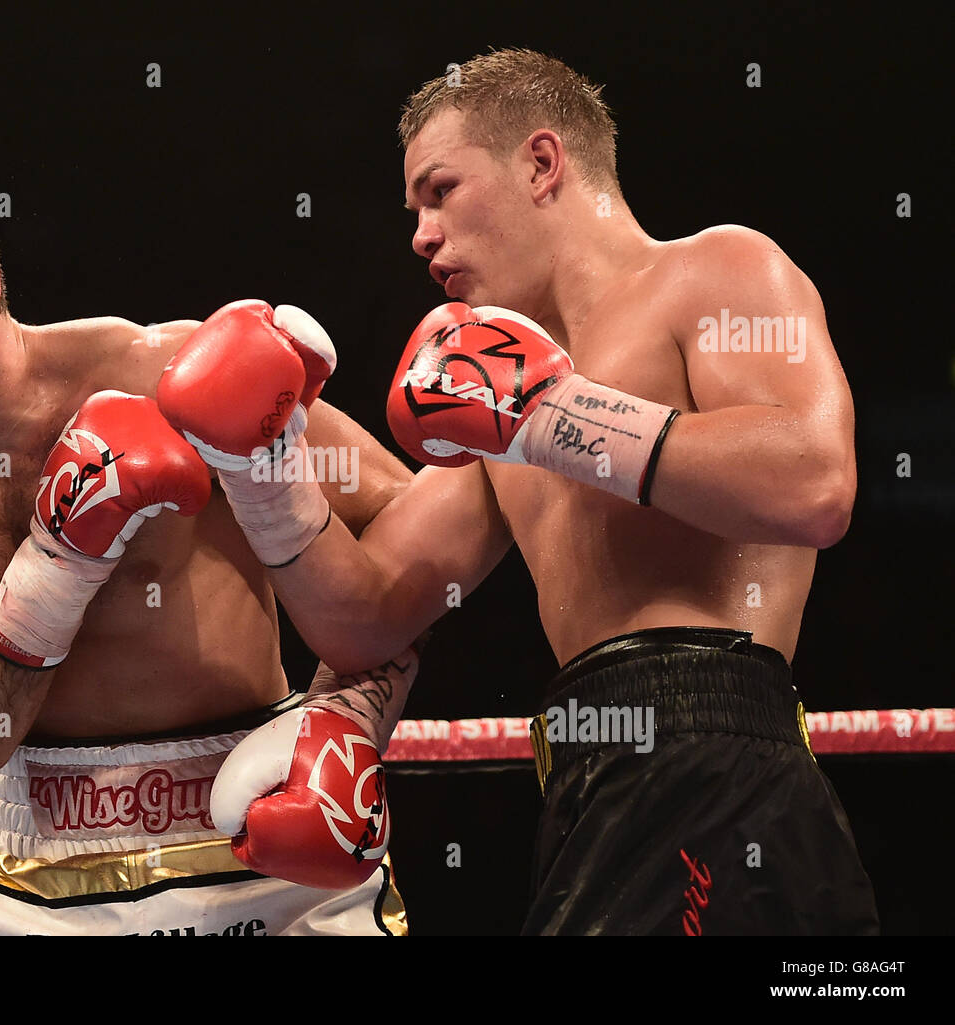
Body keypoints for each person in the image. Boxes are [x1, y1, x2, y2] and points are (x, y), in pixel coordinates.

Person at [165, 49, 879, 935]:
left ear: (542, 164)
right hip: (587, 781)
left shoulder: (714, 273)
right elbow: (365, 615)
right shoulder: (499, 415)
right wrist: (264, 472)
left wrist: (553, 411)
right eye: (413, 210)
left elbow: (815, 482)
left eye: (440, 190)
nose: (420, 234)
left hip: (711, 763)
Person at [0, 143, 417, 935]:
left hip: (265, 849)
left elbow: (413, 536)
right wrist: (57, 563)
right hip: (33, 880)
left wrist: (347, 715)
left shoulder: (170, 374)